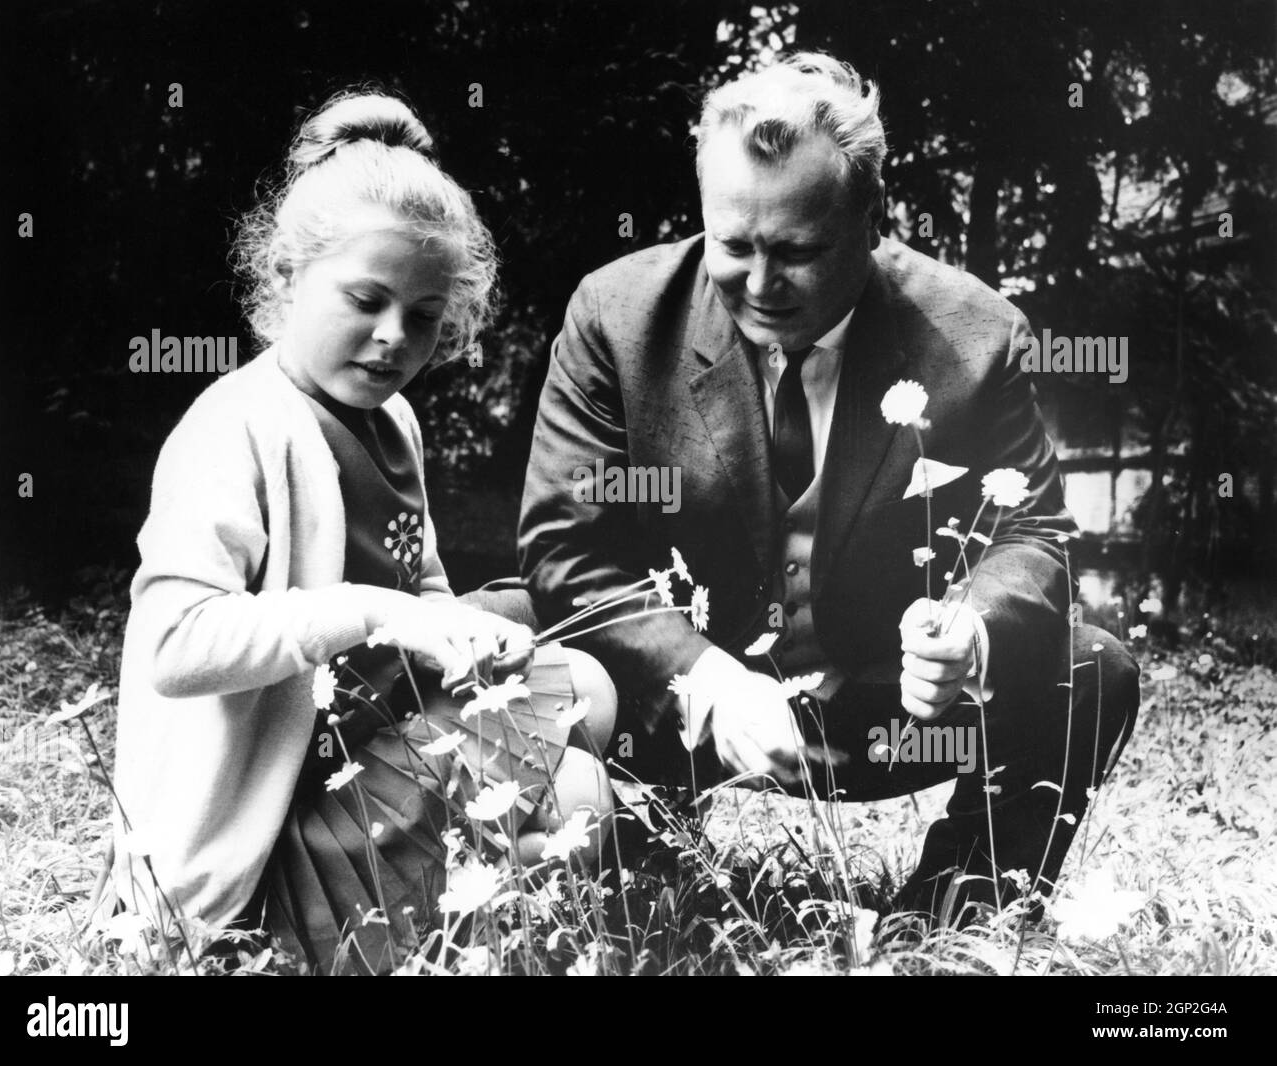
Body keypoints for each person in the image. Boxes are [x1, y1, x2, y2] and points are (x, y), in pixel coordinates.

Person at [519, 53, 1139, 921]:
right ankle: (616, 863)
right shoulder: (614, 317)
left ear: (871, 222)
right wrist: (709, 680)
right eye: (732, 247)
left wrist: (971, 634)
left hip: (882, 712)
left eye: (797, 252)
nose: (761, 285)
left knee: (1092, 668)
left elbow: (1034, 532)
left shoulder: (978, 335)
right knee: (492, 640)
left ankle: (955, 915)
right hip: (677, 700)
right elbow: (563, 546)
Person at [110, 91, 616, 974]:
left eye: (423, 316)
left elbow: (418, 586)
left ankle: (461, 911)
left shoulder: (393, 424)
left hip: (369, 755)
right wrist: (368, 611)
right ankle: (350, 931)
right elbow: (176, 647)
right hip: (268, 836)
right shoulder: (233, 426)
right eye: (365, 299)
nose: (393, 339)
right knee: (576, 771)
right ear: (283, 277)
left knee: (586, 717)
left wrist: (451, 629)